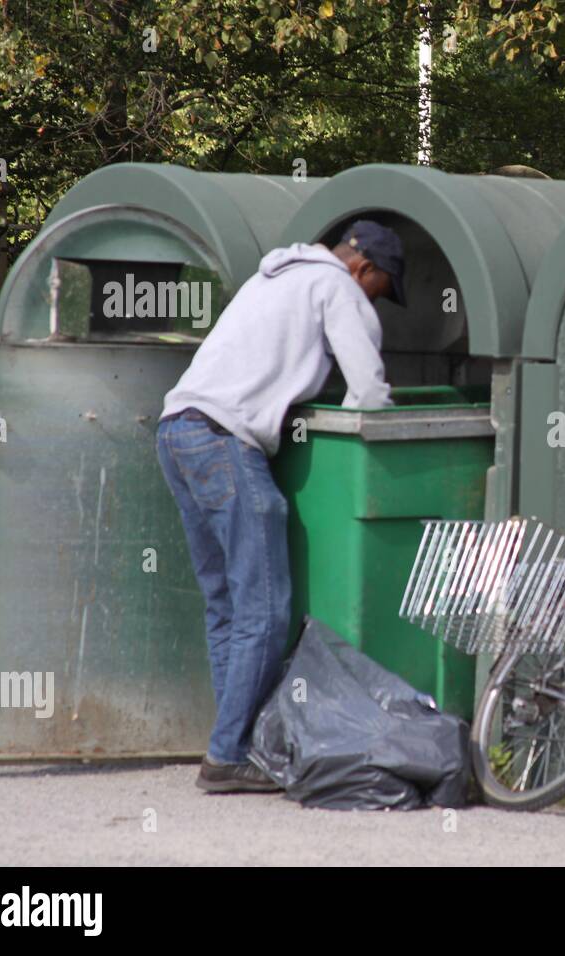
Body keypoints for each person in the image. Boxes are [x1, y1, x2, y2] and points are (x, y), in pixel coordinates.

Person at [156, 221, 405, 793]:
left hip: (178, 429)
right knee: (265, 608)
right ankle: (227, 755)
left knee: (226, 604)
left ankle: (234, 746)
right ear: (362, 269)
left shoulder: (271, 277)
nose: (375, 301)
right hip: (225, 441)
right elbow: (367, 390)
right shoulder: (336, 287)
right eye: (381, 290)